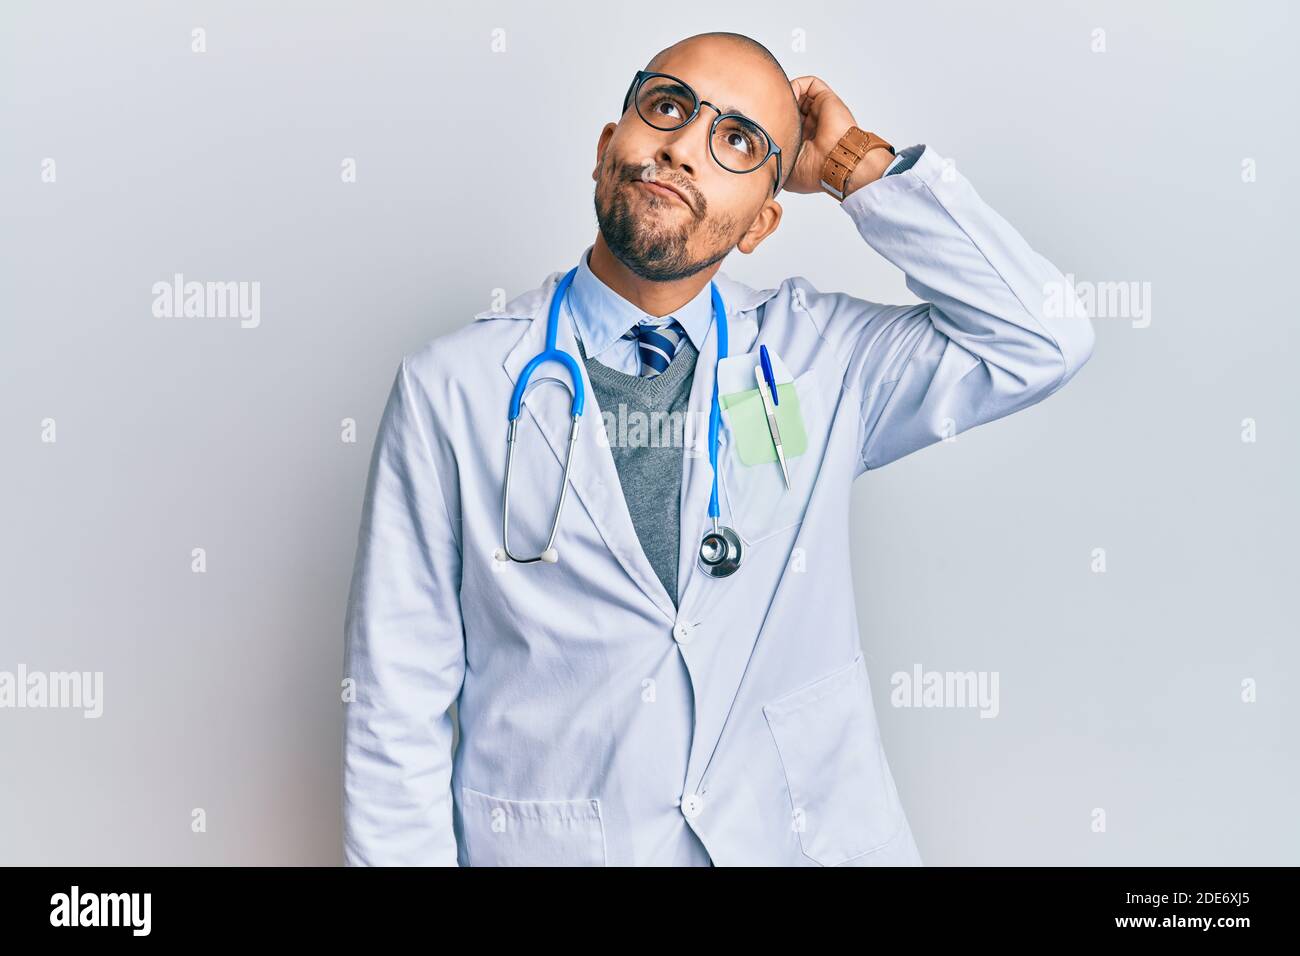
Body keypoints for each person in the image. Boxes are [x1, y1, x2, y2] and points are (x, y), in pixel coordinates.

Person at [342, 31, 1095, 866]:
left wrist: (854, 165)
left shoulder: (820, 358)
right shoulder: (453, 389)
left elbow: (1042, 339)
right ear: (605, 152)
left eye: (737, 140)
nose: (682, 147)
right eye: (667, 106)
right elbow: (393, 710)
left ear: (762, 224)